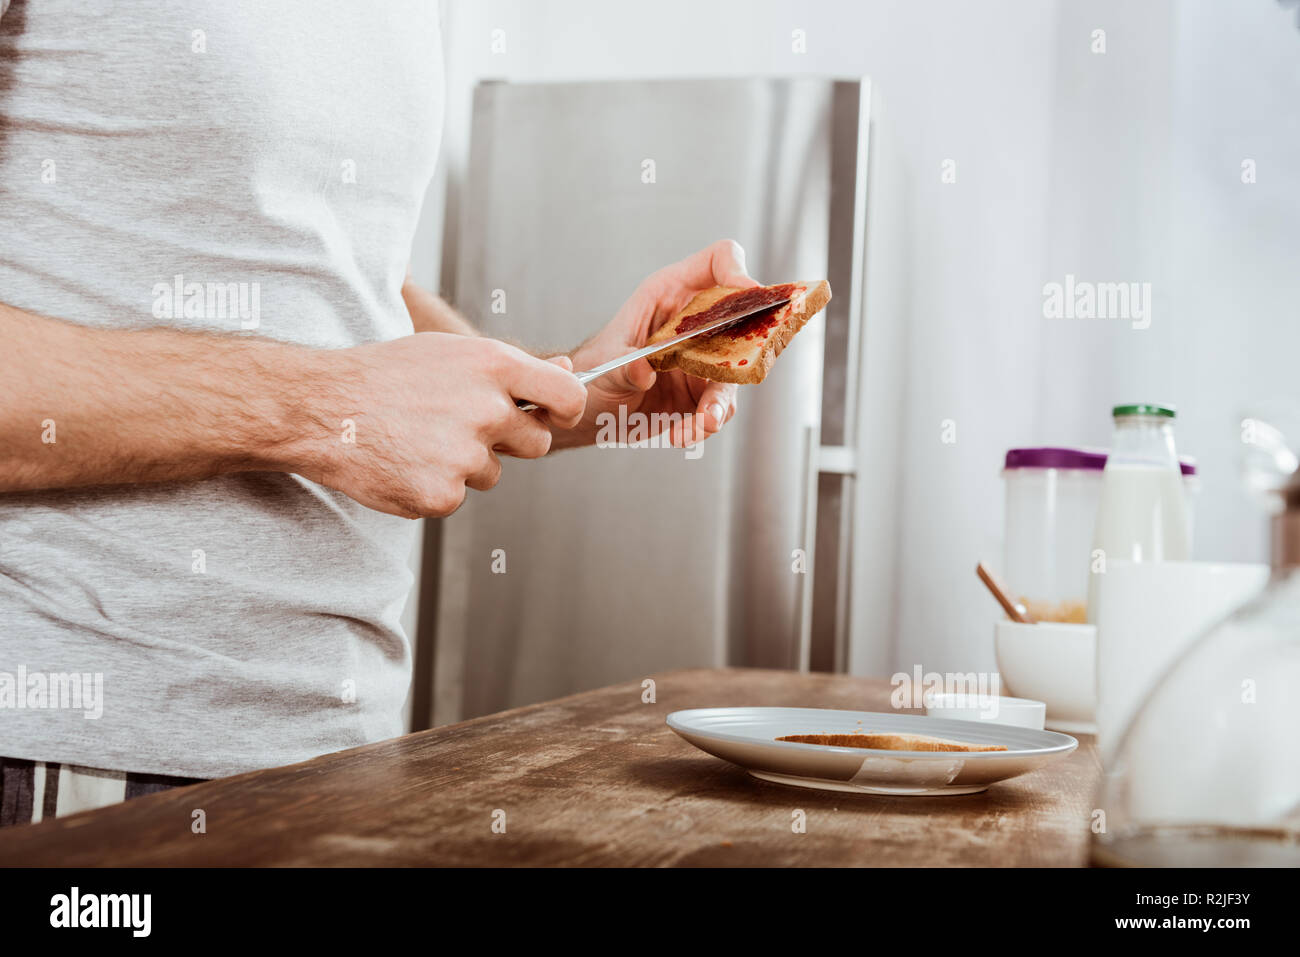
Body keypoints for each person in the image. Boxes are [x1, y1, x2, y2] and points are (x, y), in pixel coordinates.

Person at [0, 1, 753, 825]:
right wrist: (326, 407)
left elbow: (335, 281)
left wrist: (572, 383)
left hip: (343, 746)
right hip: (86, 745)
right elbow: (339, 383)